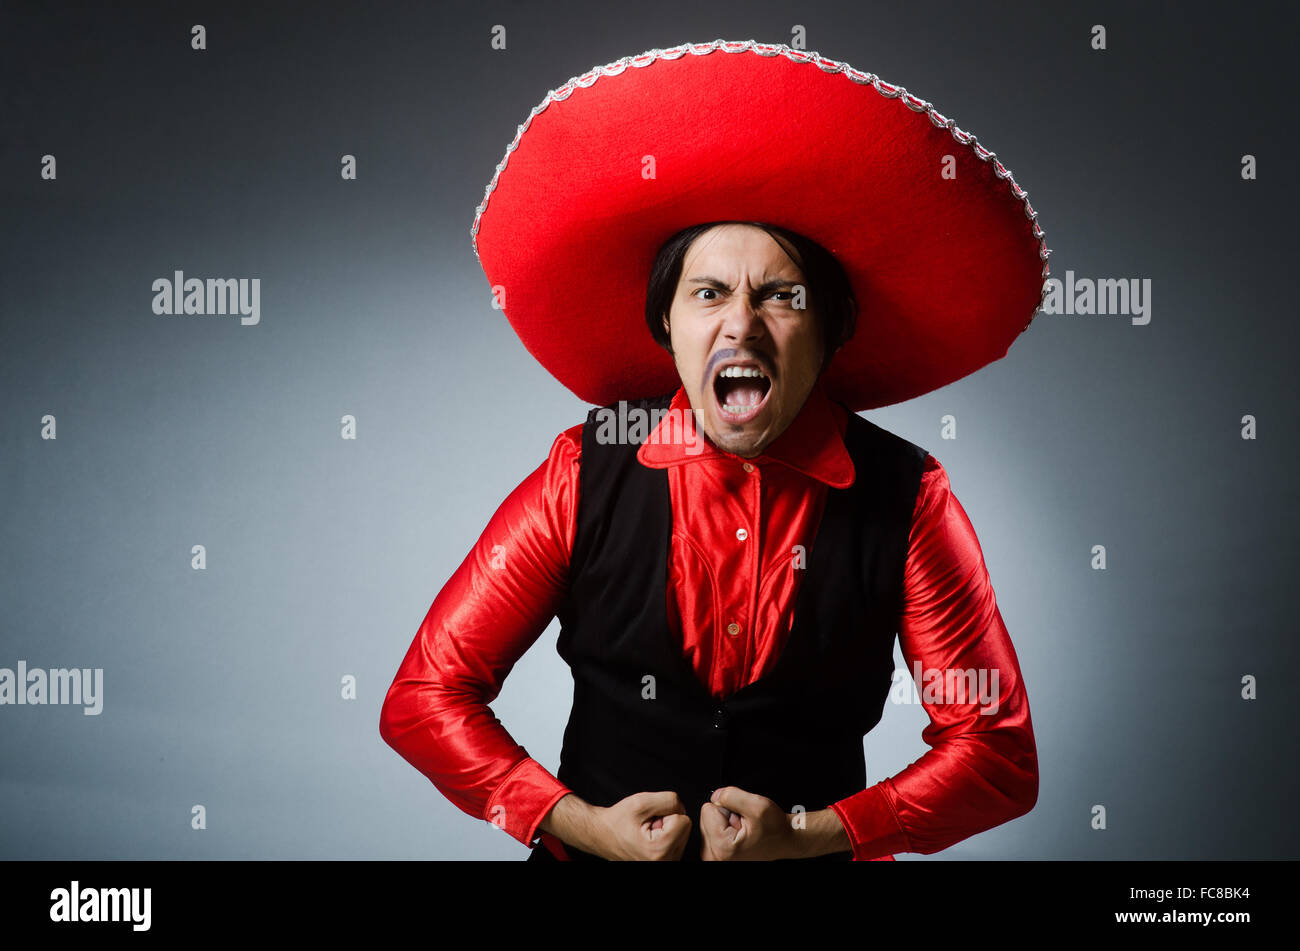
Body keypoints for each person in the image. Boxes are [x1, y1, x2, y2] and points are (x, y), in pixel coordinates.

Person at [380, 39, 1049, 861]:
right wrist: (577, 823)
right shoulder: (582, 474)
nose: (740, 323)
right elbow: (424, 696)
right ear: (669, 325)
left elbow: (998, 754)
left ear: (830, 332)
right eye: (708, 293)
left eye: (780, 296)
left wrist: (813, 834)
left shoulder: (909, 499)